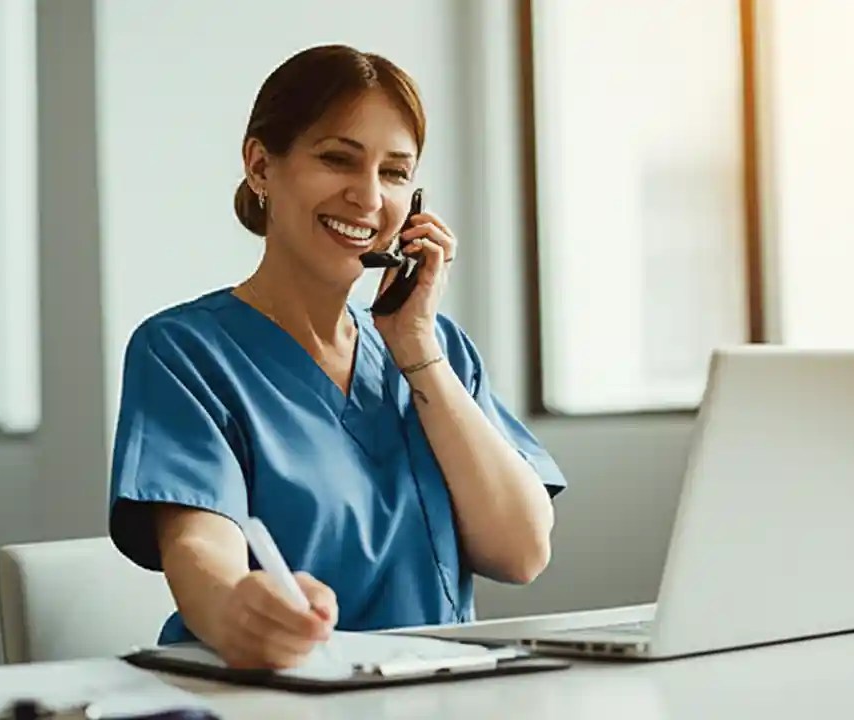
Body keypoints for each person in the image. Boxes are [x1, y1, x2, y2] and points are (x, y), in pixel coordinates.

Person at [108, 44, 566, 670]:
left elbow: (521, 552)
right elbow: (198, 549)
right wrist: (242, 606)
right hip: (266, 695)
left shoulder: (438, 350)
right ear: (261, 166)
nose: (369, 197)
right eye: (337, 160)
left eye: (396, 174)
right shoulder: (186, 351)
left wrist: (415, 347)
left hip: (435, 697)